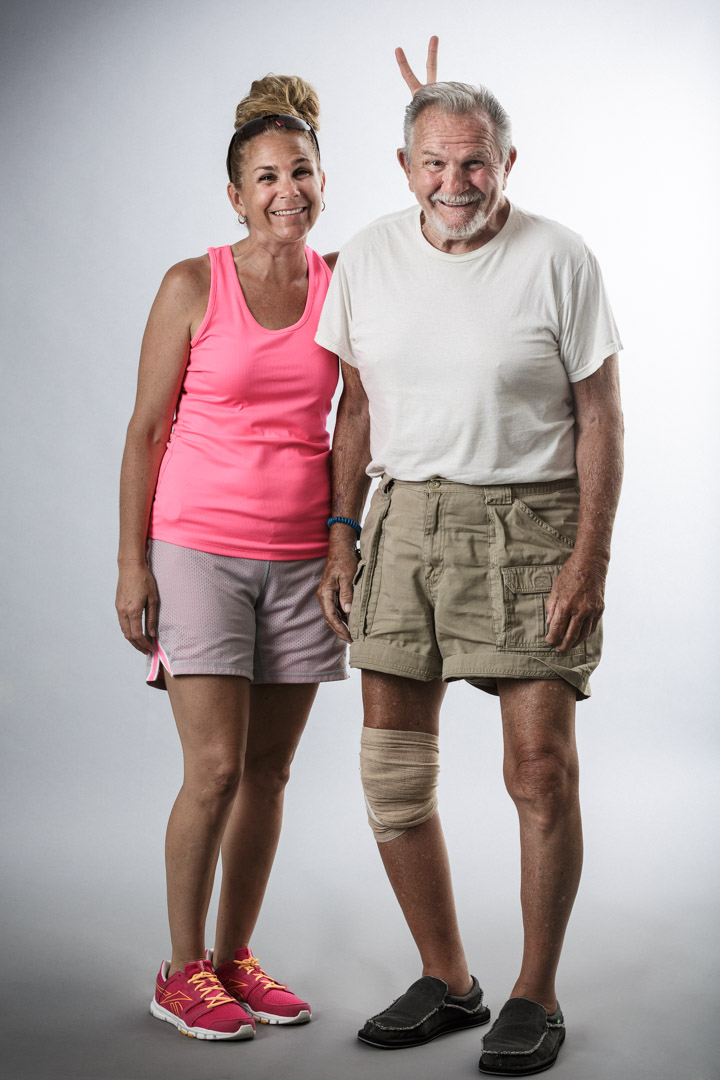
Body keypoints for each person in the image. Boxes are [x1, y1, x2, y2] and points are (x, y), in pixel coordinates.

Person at [316, 40, 624, 1075]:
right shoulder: (364, 256)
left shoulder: (559, 256)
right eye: (436, 164)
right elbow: (354, 407)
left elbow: (602, 417)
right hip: (402, 521)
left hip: (533, 522)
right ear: (405, 169)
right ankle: (449, 978)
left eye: (475, 161)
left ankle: (536, 991)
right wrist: (342, 530)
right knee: (392, 773)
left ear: (508, 162)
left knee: (539, 769)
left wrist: (589, 557)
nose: (457, 183)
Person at [115, 74, 347, 1042]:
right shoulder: (191, 283)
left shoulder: (344, 283)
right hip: (198, 550)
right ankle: (180, 968)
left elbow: (360, 414)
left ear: (323, 178)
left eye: (301, 171)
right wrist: (133, 567)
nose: (286, 190)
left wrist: (343, 539)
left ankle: (232, 958)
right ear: (235, 194)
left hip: (302, 558)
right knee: (212, 767)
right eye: (266, 176)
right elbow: (145, 430)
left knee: (269, 775)